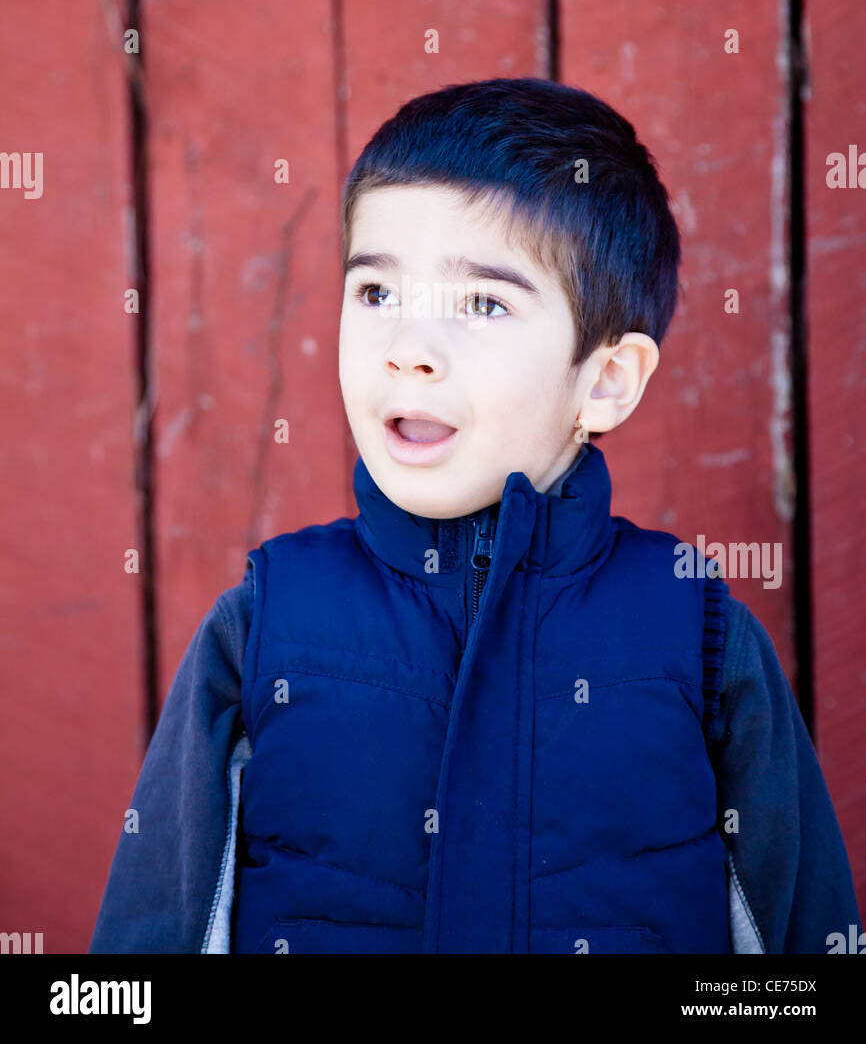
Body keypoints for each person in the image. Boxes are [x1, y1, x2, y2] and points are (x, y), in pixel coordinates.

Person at [89, 77, 861, 954]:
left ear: (605, 380)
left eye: (483, 303)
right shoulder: (265, 627)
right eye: (376, 293)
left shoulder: (698, 635)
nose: (409, 350)